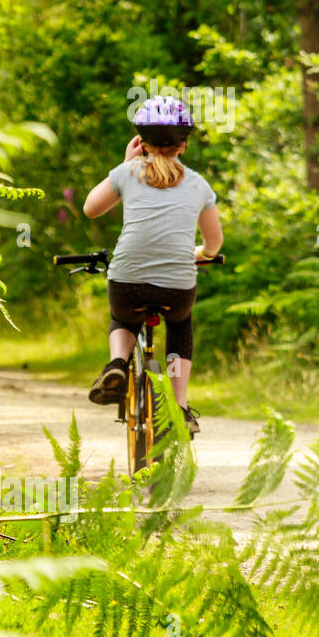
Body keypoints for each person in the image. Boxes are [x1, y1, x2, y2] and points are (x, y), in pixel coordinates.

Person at [81, 95, 223, 434]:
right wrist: (200, 253)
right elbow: (214, 243)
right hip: (177, 287)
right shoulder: (199, 185)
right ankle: (180, 407)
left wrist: (124, 165)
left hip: (126, 281)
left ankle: (117, 363)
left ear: (141, 143)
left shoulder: (127, 172)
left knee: (123, 317)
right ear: (183, 146)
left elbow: (90, 208)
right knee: (180, 325)